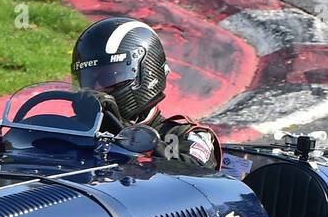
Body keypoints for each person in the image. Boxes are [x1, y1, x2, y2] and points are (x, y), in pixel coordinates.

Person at [70, 16, 221, 168]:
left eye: (109, 77)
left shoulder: (178, 135)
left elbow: (197, 172)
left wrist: (124, 132)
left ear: (148, 73)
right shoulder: (76, 129)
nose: (97, 89)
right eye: (89, 79)